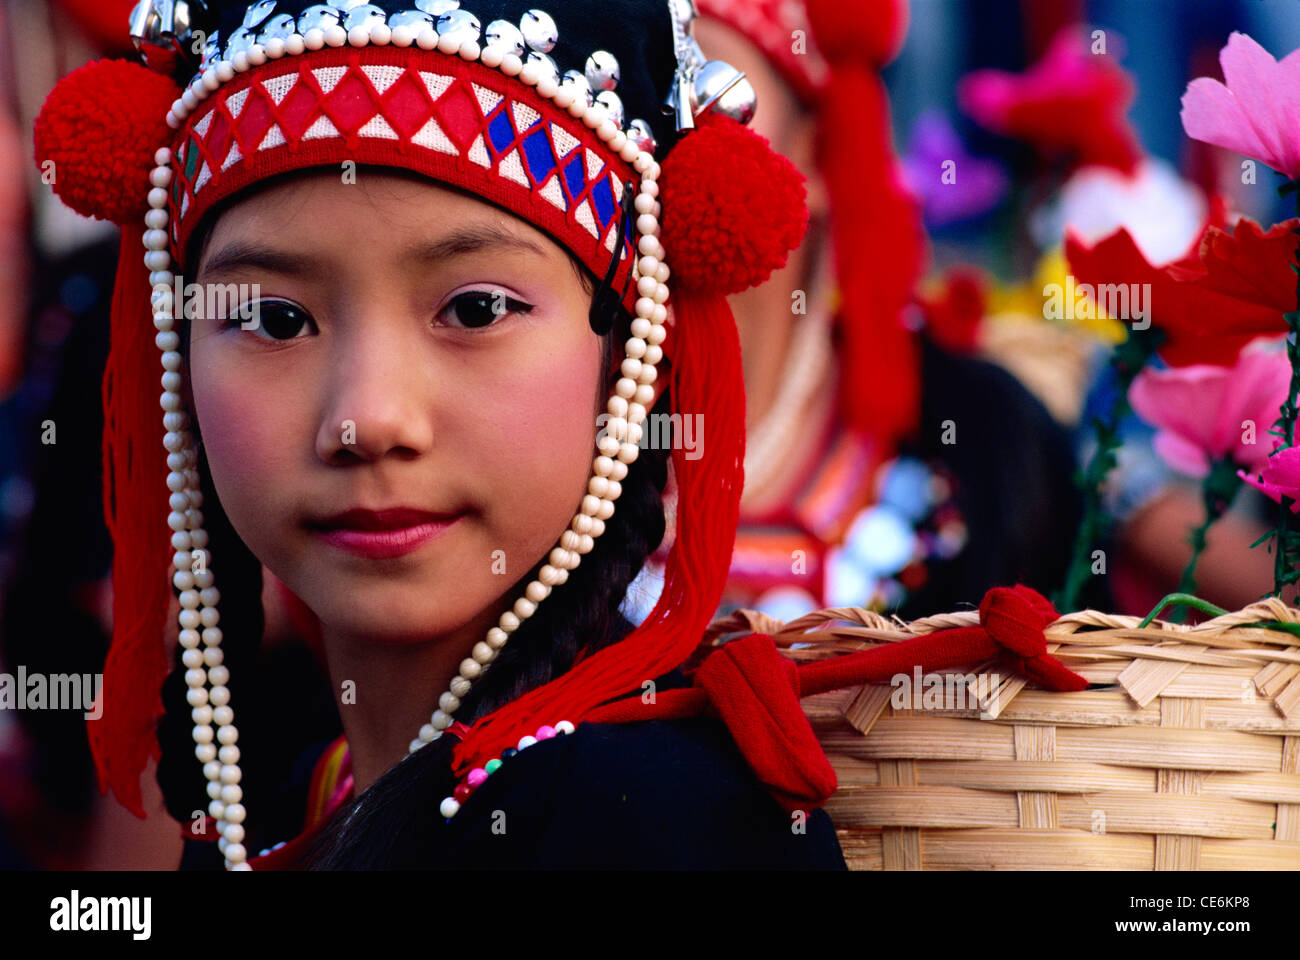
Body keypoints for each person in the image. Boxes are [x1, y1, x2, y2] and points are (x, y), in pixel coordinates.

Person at [674, 0, 1087, 622]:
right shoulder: (542, 434)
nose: (650, 134)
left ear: (814, 147)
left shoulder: (987, 443)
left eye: (701, 87)